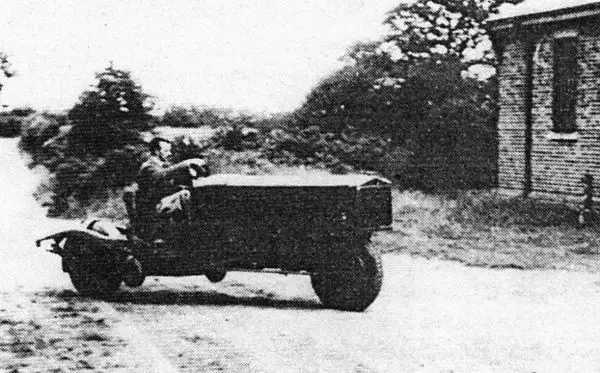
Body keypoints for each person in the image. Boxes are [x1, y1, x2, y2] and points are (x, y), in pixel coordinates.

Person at [135, 137, 206, 236]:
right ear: (156, 151)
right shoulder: (148, 167)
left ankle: (196, 227)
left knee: (195, 193)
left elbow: (174, 179)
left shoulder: (164, 165)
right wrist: (184, 164)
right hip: (151, 209)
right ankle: (191, 230)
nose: (170, 153)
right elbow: (161, 175)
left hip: (161, 204)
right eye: (166, 151)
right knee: (184, 195)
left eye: (170, 150)